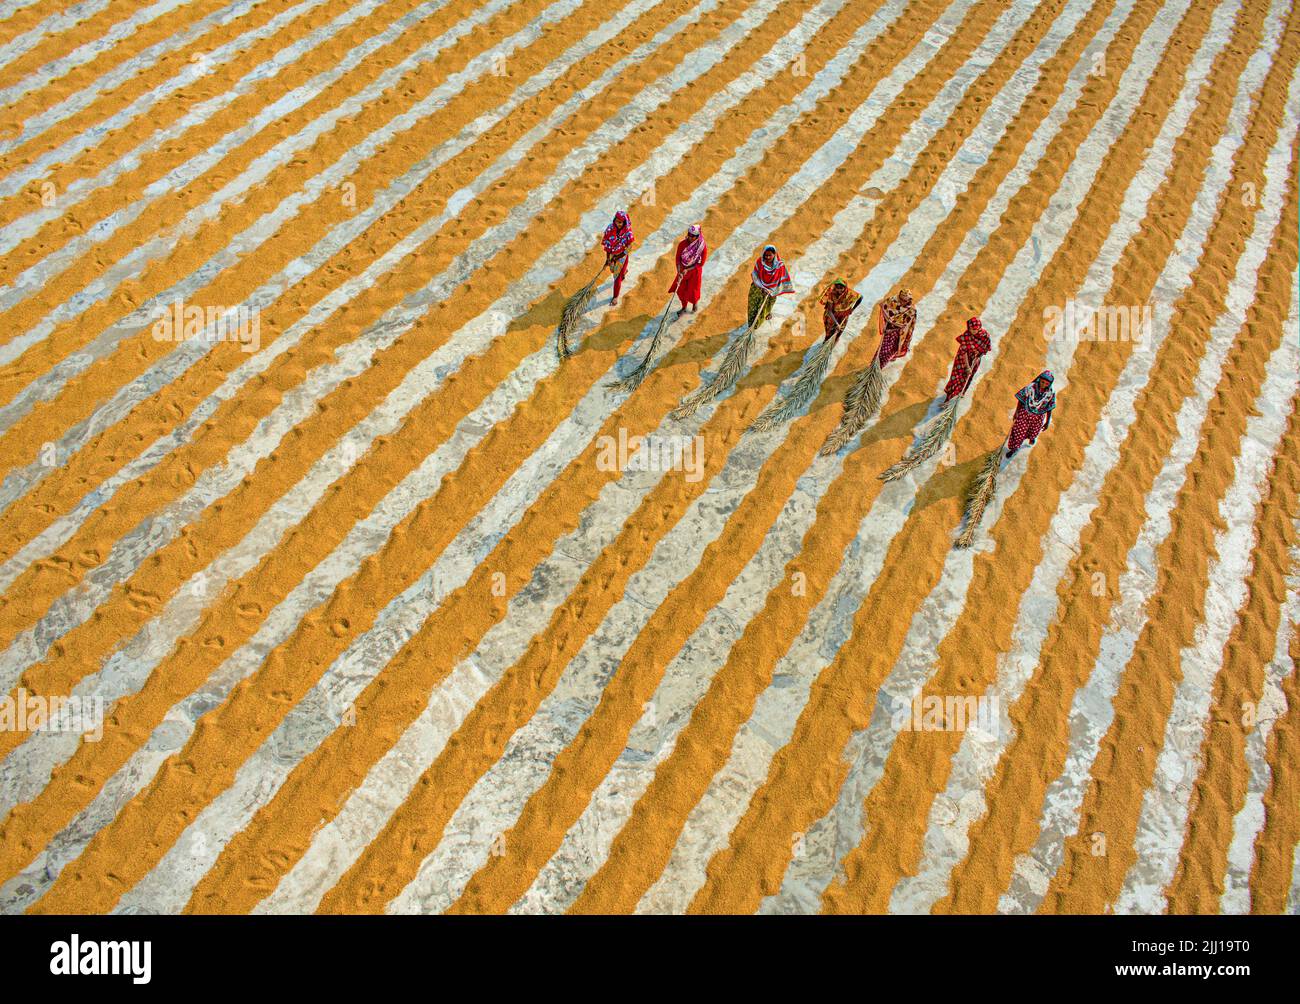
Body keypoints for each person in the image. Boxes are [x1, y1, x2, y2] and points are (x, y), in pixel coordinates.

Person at [1006, 370, 1055, 456]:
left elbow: (1049, 408)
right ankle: (1014, 448)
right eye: (1042, 382)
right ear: (1039, 379)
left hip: (1038, 417)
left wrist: (1047, 422)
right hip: (1025, 414)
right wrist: (1016, 412)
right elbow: (1021, 400)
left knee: (1034, 431)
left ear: (1049, 384)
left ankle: (1031, 438)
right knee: (1018, 432)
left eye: (1046, 383)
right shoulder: (1030, 388)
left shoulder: (1050, 394)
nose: (1044, 385)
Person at [943, 316, 991, 402]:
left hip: (975, 360)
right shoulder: (967, 335)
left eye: (975, 329)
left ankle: (960, 393)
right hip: (962, 359)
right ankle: (949, 396)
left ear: (979, 328)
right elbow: (963, 351)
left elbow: (986, 348)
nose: (973, 331)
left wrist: (978, 357)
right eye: (971, 329)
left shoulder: (985, 336)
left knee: (967, 378)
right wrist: (967, 366)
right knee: (956, 376)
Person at [748, 244, 794, 327]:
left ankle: (762, 319)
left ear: (775, 254)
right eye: (766, 255)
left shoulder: (779, 265)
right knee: (753, 307)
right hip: (758, 289)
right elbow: (755, 275)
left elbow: (780, 279)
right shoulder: (760, 262)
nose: (768, 257)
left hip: (771, 292)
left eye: (770, 255)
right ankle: (751, 324)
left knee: (766, 307)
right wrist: (762, 287)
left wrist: (770, 290)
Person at [671, 224, 707, 314]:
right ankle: (684, 307)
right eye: (689, 234)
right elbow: (678, 259)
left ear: (698, 236)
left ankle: (694, 304)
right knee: (681, 290)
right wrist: (679, 271)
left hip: (695, 271)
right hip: (682, 270)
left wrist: (688, 269)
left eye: (693, 236)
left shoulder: (702, 247)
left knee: (693, 290)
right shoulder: (682, 244)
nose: (690, 237)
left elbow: (701, 263)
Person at [875, 287, 917, 364]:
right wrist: (886, 322)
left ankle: (880, 366)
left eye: (904, 300)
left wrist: (891, 328)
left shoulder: (911, 311)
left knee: (891, 351)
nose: (902, 302)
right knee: (882, 350)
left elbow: (905, 324)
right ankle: (875, 365)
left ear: (908, 300)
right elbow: (884, 305)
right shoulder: (893, 301)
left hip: (898, 334)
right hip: (887, 331)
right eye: (901, 299)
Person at [601, 210, 635, 304]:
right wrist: (608, 258)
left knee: (617, 278)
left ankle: (615, 296)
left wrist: (617, 257)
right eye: (616, 221)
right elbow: (607, 244)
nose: (617, 224)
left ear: (624, 223)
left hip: (622, 257)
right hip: (612, 255)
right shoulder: (610, 229)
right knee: (614, 271)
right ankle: (624, 272)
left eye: (620, 222)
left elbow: (628, 249)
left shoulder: (628, 232)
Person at [819, 278, 862, 342]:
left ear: (845, 287)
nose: (839, 290)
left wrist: (852, 310)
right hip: (832, 316)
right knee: (829, 333)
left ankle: (834, 343)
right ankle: (826, 342)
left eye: (841, 288)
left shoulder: (850, 293)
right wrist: (836, 324)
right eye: (837, 287)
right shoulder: (832, 294)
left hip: (843, 315)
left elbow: (860, 297)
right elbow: (829, 311)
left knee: (839, 333)